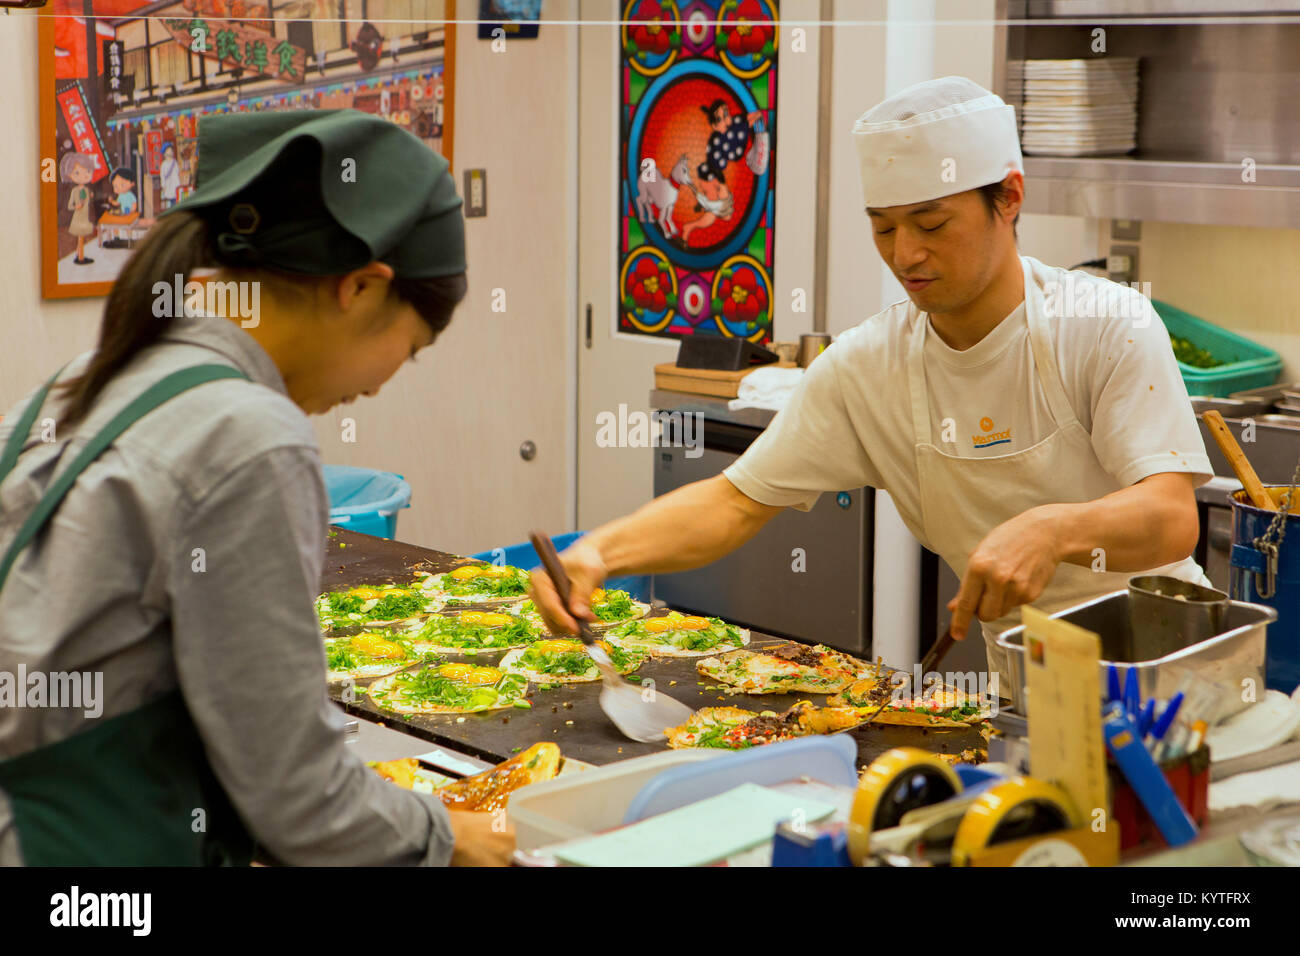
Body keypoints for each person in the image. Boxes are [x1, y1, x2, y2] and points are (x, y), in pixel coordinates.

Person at [530, 77, 1211, 684]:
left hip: (1168, 672)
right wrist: (595, 554)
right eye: (883, 229)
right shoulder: (867, 367)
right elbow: (737, 502)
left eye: (932, 224)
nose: (905, 254)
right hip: (1029, 685)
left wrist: (1054, 531)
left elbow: (1172, 519)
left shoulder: (1104, 323)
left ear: (1009, 198)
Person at [0, 110, 512, 866]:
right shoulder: (249, 435)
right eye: (412, 348)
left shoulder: (79, 382)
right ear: (363, 289)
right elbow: (299, 800)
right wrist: (450, 837)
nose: (382, 386)